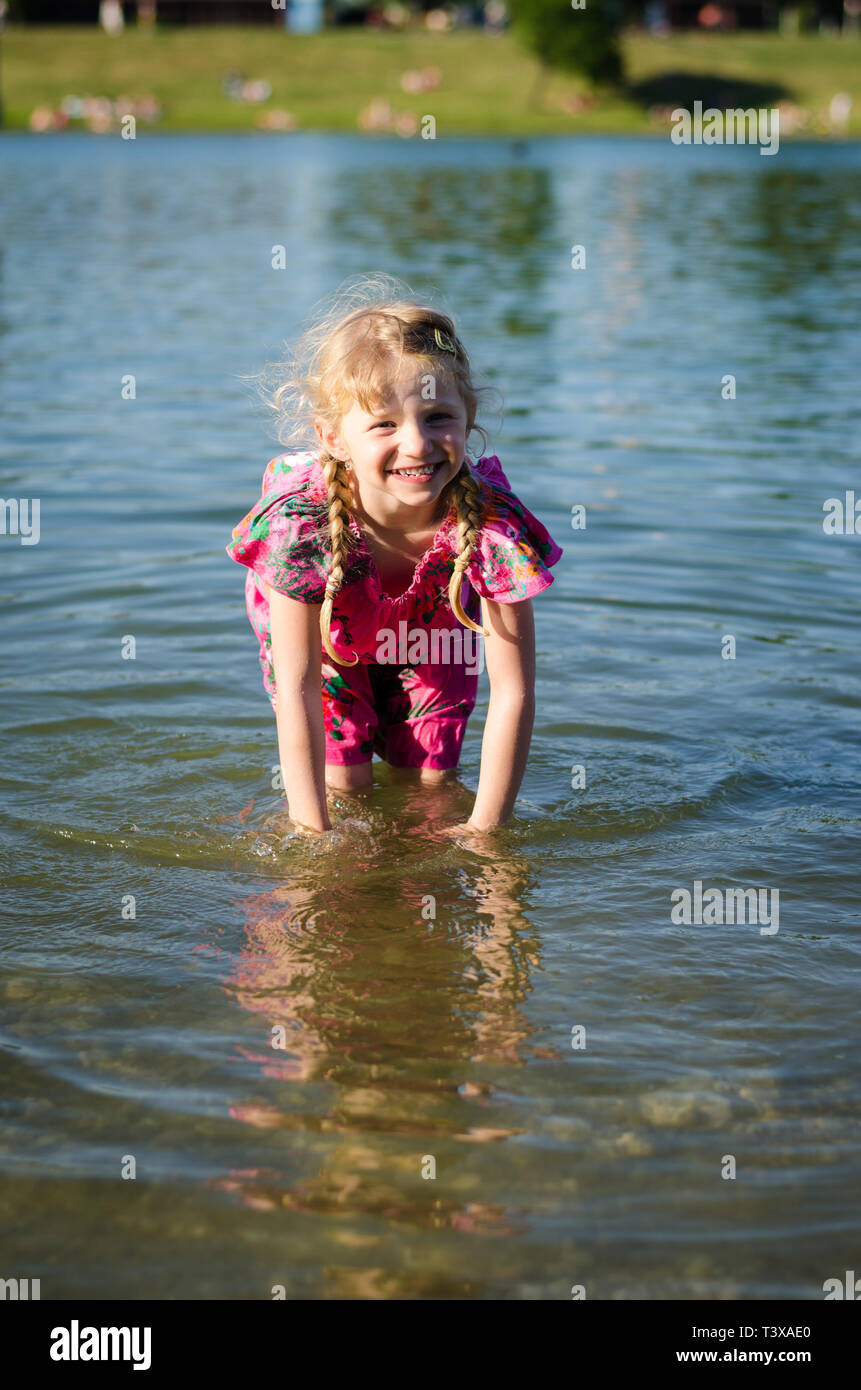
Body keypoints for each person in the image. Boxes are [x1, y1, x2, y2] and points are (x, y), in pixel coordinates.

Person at [226, 276, 562, 836]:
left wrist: (486, 832)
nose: (417, 444)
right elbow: (300, 689)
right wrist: (314, 837)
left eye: (437, 418)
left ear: (468, 415)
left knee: (431, 781)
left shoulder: (489, 526)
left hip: (434, 626)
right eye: (384, 424)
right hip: (333, 628)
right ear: (332, 438)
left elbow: (514, 691)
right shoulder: (300, 530)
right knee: (347, 781)